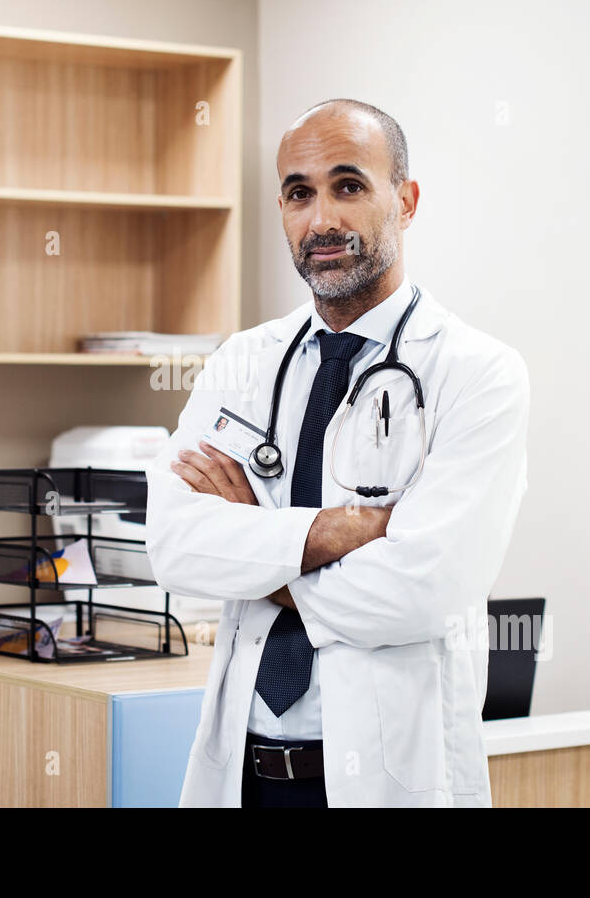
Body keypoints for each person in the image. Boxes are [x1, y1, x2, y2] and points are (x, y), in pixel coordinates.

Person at [145, 99, 530, 807]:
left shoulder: (477, 372)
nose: (320, 220)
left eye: (348, 186)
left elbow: (422, 590)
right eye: (299, 193)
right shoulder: (242, 361)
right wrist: (334, 533)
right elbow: (173, 547)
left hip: (384, 781)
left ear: (406, 201)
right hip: (246, 773)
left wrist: (255, 552)